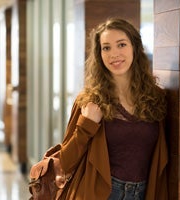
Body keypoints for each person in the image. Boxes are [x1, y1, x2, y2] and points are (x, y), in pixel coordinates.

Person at [59, 18, 168, 200]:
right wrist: (86, 125)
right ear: (99, 54)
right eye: (106, 47)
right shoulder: (89, 100)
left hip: (146, 192)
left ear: (135, 47)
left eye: (121, 45)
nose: (114, 54)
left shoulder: (157, 98)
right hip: (102, 193)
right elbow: (66, 161)